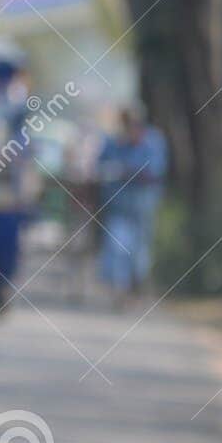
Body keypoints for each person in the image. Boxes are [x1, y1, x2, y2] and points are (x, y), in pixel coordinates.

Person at [96, 106, 169, 302]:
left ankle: (136, 286)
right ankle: (120, 290)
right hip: (118, 207)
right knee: (116, 248)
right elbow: (100, 167)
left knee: (140, 253)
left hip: (144, 207)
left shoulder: (153, 142)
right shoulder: (114, 143)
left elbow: (155, 172)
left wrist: (128, 171)